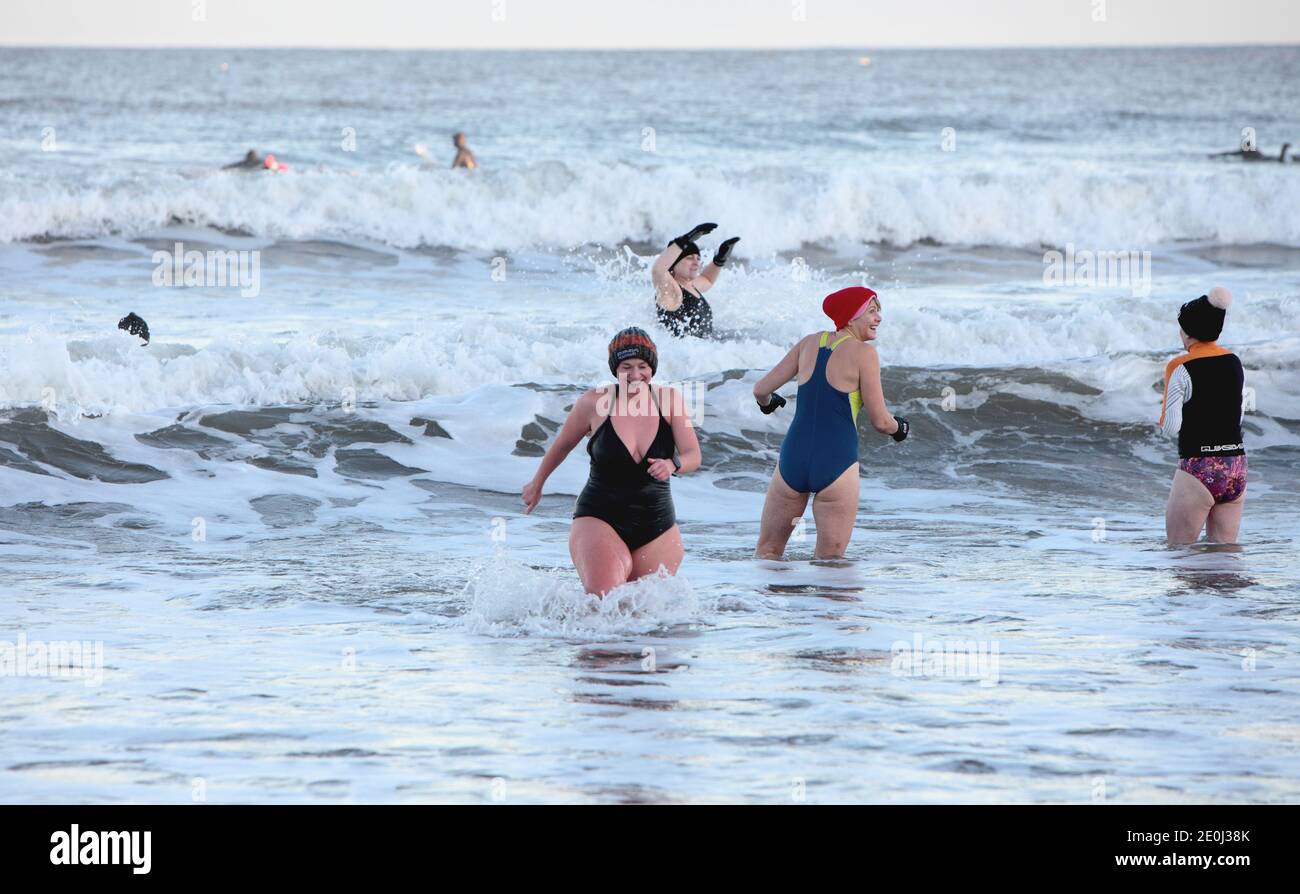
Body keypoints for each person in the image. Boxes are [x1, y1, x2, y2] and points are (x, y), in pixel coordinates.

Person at [522, 328, 701, 595]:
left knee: (644, 613)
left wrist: (673, 464)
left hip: (657, 523)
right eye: (626, 366)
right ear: (615, 369)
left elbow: (693, 455)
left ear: (652, 367)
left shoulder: (670, 401)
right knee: (603, 601)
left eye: (643, 366)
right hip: (600, 516)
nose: (636, 374)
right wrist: (537, 484)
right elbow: (562, 446)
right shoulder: (594, 403)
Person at [751, 286, 909, 559]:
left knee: (768, 552)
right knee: (830, 563)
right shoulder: (864, 354)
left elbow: (760, 390)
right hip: (836, 463)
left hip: (792, 461)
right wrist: (901, 429)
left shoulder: (808, 343)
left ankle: (767, 604)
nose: (879, 318)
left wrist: (769, 404)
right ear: (850, 317)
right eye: (872, 311)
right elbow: (881, 421)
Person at [1158, 287, 1247, 544]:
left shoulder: (1179, 366)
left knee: (1180, 554)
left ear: (1187, 333)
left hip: (1199, 468)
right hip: (1236, 467)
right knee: (1224, 560)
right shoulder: (1234, 361)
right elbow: (1237, 417)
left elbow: (1171, 426)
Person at [651, 222, 740, 338]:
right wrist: (686, 240)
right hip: (684, 354)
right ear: (673, 263)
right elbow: (658, 271)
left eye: (698, 258)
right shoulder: (671, 291)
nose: (696, 262)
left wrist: (720, 259)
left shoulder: (690, 286)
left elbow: (707, 279)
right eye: (689, 258)